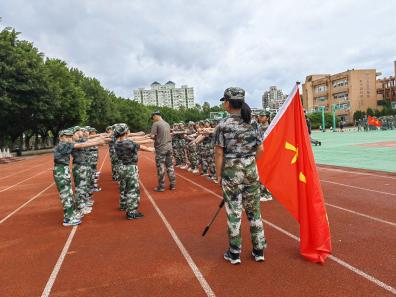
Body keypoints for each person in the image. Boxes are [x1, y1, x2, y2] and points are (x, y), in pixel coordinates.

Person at [214, 87, 266, 265]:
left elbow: (219, 153)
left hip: (231, 171)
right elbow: (260, 149)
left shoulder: (223, 125)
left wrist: (218, 174)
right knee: (254, 212)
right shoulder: (253, 123)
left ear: (228, 103)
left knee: (234, 212)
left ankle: (234, 252)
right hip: (251, 170)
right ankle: (259, 250)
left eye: (224, 101)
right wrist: (251, 162)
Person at [53, 129, 106, 226]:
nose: (69, 139)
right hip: (61, 170)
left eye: (70, 137)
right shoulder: (63, 144)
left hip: (63, 169)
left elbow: (84, 142)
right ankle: (68, 219)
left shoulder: (65, 144)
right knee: (66, 195)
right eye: (66, 137)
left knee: (68, 193)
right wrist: (98, 141)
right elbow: (81, 145)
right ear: (61, 137)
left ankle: (71, 214)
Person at [114, 123, 154, 219]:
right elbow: (141, 147)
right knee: (133, 190)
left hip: (121, 168)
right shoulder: (128, 143)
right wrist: (151, 149)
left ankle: (124, 205)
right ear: (126, 132)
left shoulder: (116, 143)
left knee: (125, 188)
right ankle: (132, 212)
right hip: (130, 168)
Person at [150, 111, 176, 192]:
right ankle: (173, 184)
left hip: (161, 148)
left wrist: (152, 137)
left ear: (155, 116)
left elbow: (152, 136)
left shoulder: (156, 124)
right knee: (170, 166)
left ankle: (161, 186)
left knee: (161, 167)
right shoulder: (167, 124)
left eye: (153, 118)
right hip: (169, 147)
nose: (153, 120)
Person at [257, 111, 273, 202]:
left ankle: (267, 194)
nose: (260, 117)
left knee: (265, 173)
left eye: (262, 116)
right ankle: (263, 191)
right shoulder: (259, 127)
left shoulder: (270, 128)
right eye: (260, 116)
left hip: (267, 153)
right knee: (259, 172)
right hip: (260, 152)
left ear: (267, 118)